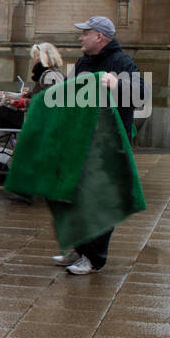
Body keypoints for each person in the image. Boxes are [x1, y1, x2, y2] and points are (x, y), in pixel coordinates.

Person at [52, 15, 144, 274]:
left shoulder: (121, 62)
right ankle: (79, 249)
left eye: (85, 33)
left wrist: (117, 84)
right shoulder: (84, 62)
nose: (80, 37)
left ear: (100, 37)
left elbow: (141, 95)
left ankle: (94, 258)